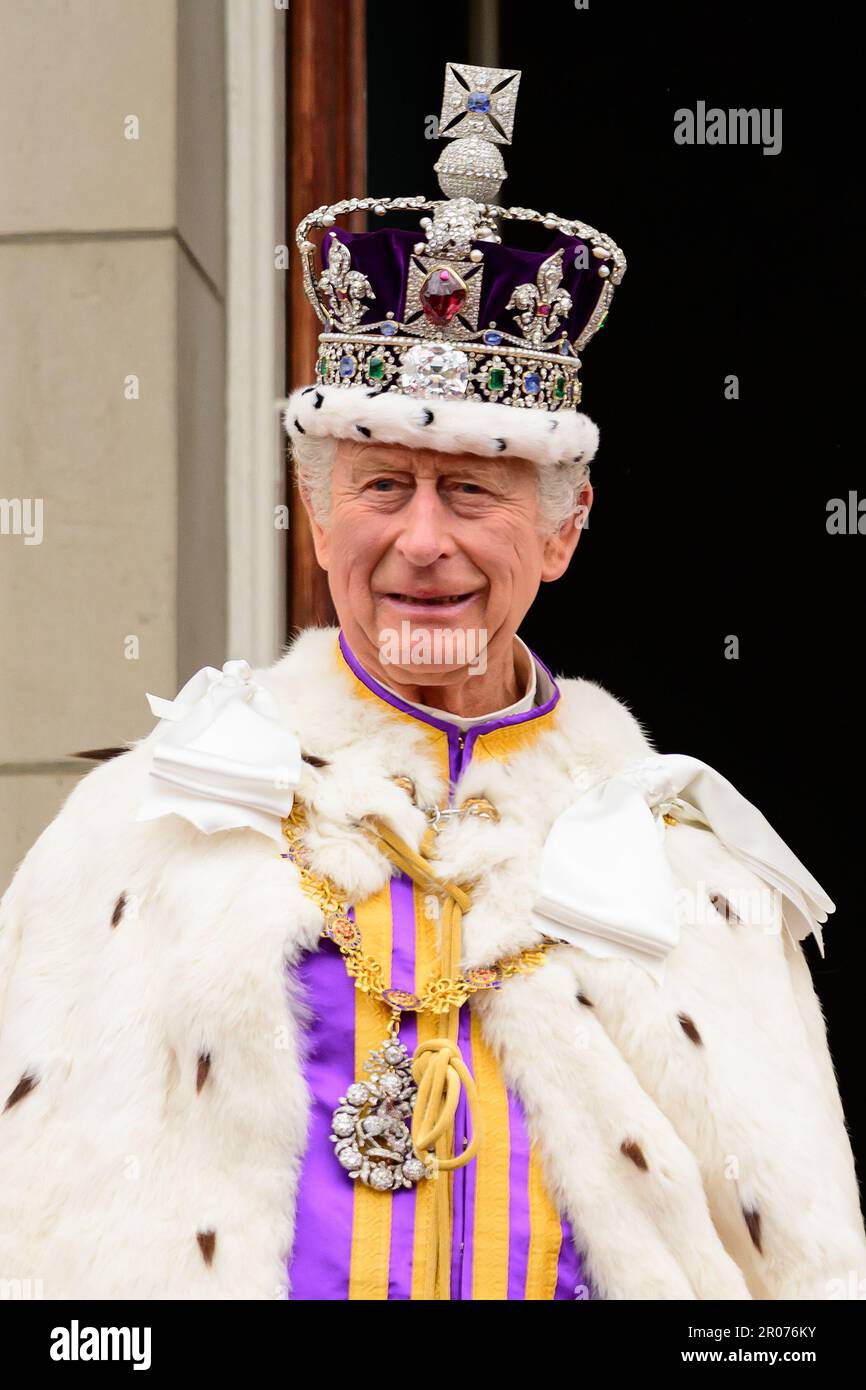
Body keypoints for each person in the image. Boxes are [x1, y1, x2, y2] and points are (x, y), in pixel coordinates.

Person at [1, 61, 864, 1301]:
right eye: (380, 486)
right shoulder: (139, 830)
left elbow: (795, 1281)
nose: (421, 541)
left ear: (562, 532)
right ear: (315, 516)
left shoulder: (691, 877)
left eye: (472, 491)